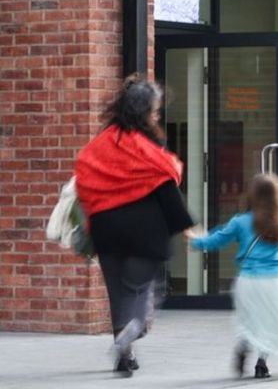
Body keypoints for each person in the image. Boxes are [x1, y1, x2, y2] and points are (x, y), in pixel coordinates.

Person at [75, 73, 195, 377]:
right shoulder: (147, 149)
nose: (157, 115)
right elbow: (167, 191)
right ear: (144, 113)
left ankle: (124, 354)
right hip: (144, 233)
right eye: (155, 110)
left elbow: (84, 182)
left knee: (120, 292)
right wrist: (187, 228)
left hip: (105, 229)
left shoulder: (100, 145)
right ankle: (134, 329)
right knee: (144, 286)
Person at [189, 174, 278, 379]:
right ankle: (261, 364)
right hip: (276, 281)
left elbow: (218, 239)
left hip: (248, 281)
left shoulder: (240, 222)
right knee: (271, 322)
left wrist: (196, 241)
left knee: (250, 320)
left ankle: (243, 345)